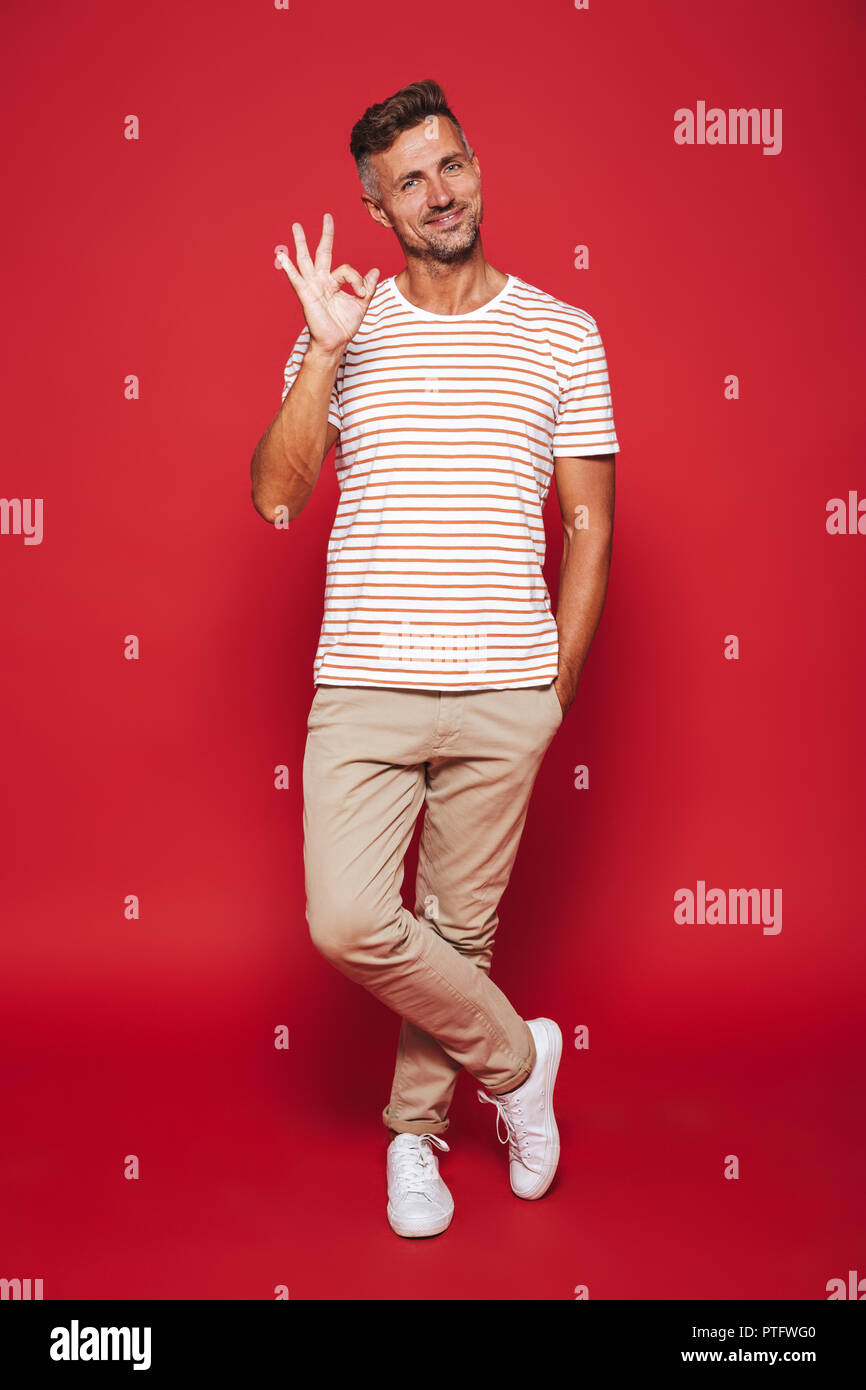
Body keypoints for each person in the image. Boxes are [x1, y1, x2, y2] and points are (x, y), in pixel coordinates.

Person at [250, 79, 620, 1238]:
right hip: (364, 684)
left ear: (476, 165)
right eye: (407, 179)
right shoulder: (343, 332)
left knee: (457, 936)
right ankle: (521, 1061)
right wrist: (321, 348)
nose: (438, 191)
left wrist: (548, 696)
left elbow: (591, 527)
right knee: (351, 917)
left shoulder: (564, 333)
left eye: (449, 163)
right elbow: (273, 497)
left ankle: (414, 1136)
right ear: (376, 206)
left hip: (503, 692)